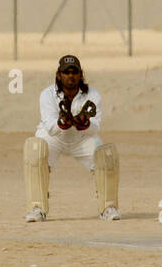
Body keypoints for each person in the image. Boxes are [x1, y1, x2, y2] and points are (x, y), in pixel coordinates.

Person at [22, 54, 120, 222]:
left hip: (81, 138)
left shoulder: (93, 94)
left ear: (81, 74)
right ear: (59, 75)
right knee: (35, 149)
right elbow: (50, 126)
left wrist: (84, 124)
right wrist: (62, 123)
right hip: (54, 137)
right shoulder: (47, 94)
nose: (71, 76)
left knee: (106, 155)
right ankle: (37, 208)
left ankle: (108, 207)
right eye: (66, 72)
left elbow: (96, 126)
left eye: (74, 72)